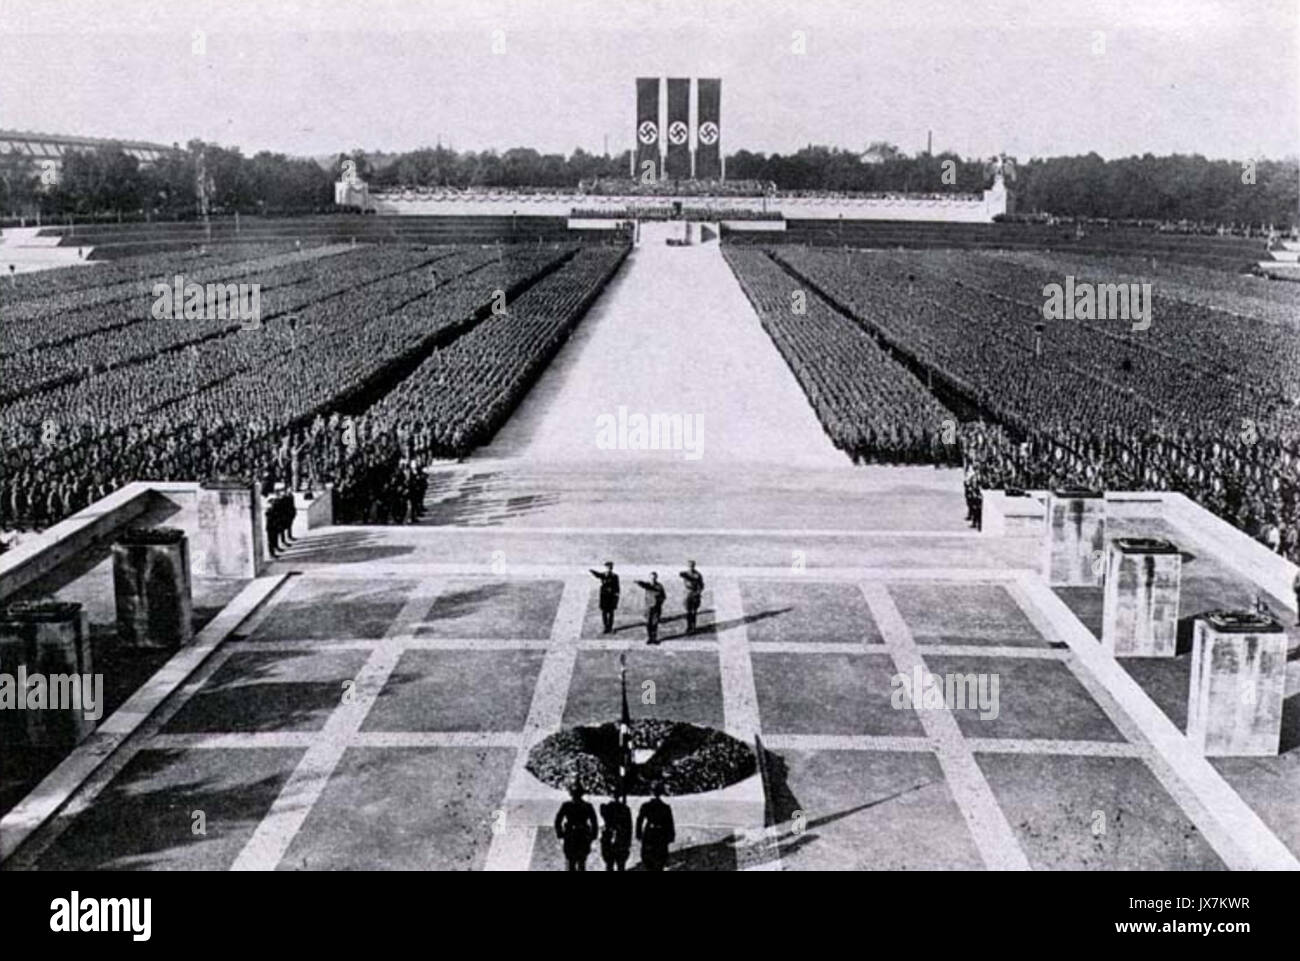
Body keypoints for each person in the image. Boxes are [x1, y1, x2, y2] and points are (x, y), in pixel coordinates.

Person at [554, 783, 598, 872]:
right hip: (574, 836)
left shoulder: (585, 806)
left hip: (579, 836)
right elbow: (558, 821)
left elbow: (594, 822)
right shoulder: (568, 805)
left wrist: (593, 835)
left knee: (578, 863)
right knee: (574, 863)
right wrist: (561, 834)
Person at [635, 783, 675, 871]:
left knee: (653, 861)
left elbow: (639, 820)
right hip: (658, 835)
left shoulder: (648, 806)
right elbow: (669, 823)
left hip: (652, 834)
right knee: (656, 861)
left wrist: (639, 833)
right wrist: (670, 836)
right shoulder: (664, 807)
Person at [599, 792, 633, 872]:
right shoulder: (607, 807)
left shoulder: (624, 809)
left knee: (619, 864)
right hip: (610, 839)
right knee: (610, 864)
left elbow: (628, 827)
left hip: (620, 839)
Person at [634, 572, 667, 645]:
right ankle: (649, 638)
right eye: (651, 578)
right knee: (648, 623)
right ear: (649, 578)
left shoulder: (659, 586)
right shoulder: (648, 585)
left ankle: (654, 638)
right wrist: (638, 582)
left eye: (654, 578)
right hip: (648, 607)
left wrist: (659, 603)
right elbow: (643, 584)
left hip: (656, 608)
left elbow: (664, 596)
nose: (653, 579)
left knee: (655, 623)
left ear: (656, 578)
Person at [590, 561, 620, 634]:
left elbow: (617, 587)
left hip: (611, 596)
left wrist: (616, 596)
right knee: (604, 612)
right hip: (604, 596)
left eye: (609, 568)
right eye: (607, 568)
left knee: (611, 613)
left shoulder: (615, 576)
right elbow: (597, 575)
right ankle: (606, 627)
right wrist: (592, 571)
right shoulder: (603, 575)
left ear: (611, 568)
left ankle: (610, 627)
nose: (608, 569)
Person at [679, 560, 704, 635]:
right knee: (688, 612)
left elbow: (701, 585)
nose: (690, 567)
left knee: (694, 612)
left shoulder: (698, 575)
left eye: (692, 566)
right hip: (687, 594)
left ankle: (693, 627)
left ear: (694, 566)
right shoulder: (686, 573)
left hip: (695, 594)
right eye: (689, 566)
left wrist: (698, 593)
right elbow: (681, 574)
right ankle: (689, 627)